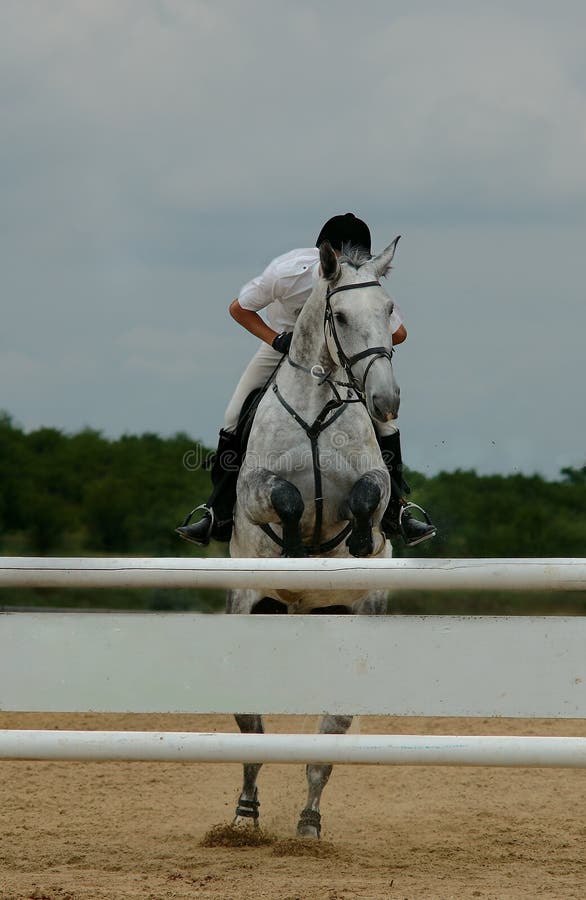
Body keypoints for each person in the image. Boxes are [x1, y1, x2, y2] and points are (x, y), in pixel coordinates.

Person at [177, 213, 436, 548]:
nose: (353, 270)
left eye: (361, 262)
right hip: (282, 343)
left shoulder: (363, 285)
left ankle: (398, 510)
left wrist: (360, 335)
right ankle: (217, 511)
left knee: (386, 422)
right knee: (232, 415)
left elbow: (398, 333)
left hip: (336, 350)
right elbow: (238, 309)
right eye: (346, 262)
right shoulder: (287, 272)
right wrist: (275, 340)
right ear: (325, 256)